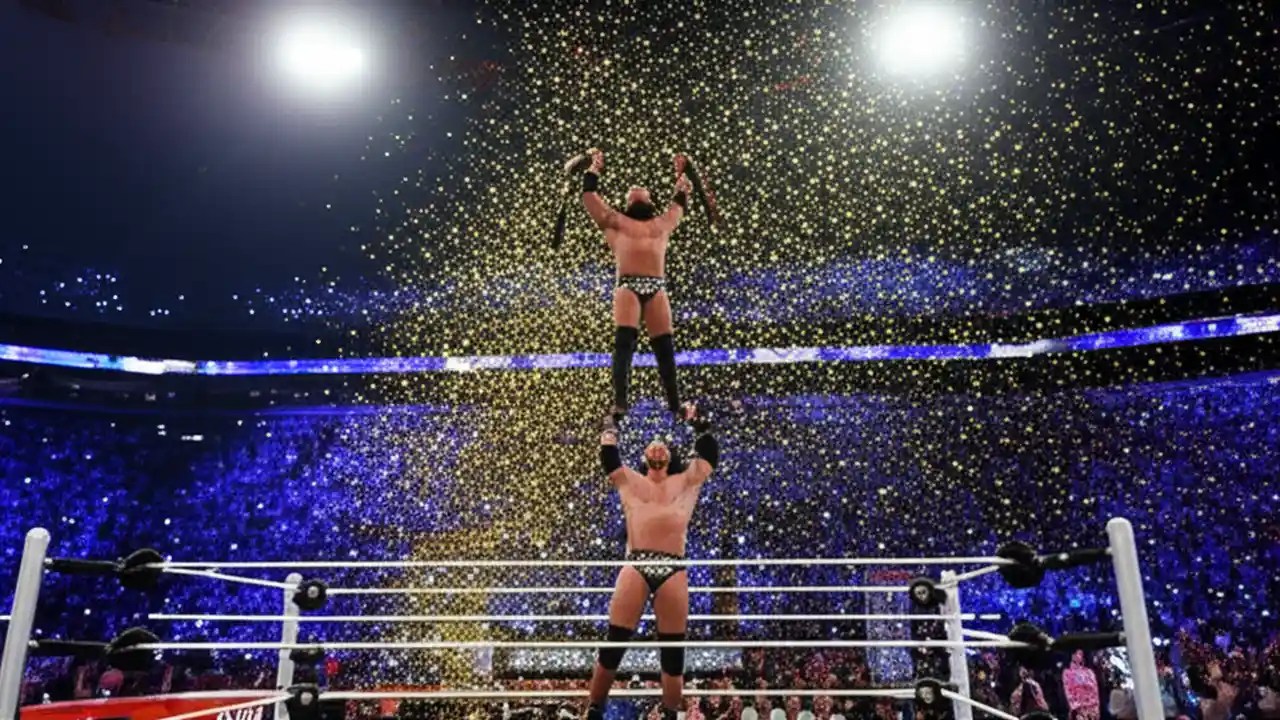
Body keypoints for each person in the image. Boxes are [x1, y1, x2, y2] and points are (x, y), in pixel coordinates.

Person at [585, 407, 721, 720]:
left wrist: (697, 420)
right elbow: (608, 457)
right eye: (651, 444)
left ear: (671, 454)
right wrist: (610, 424)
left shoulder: (686, 481)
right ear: (645, 457)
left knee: (673, 652)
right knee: (614, 642)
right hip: (637, 563)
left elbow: (710, 452)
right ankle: (594, 710)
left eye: (663, 444)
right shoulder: (630, 481)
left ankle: (671, 714)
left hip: (672, 565)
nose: (657, 445)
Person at [573, 149, 696, 423]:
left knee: (665, 349)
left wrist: (681, 173)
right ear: (628, 201)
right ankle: (620, 402)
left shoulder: (662, 224)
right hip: (628, 285)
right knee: (624, 344)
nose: (637, 191)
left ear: (650, 200)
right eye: (632, 191)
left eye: (641, 191)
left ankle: (675, 405)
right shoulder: (616, 222)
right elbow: (589, 197)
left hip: (656, 286)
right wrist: (593, 168)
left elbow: (681, 199)